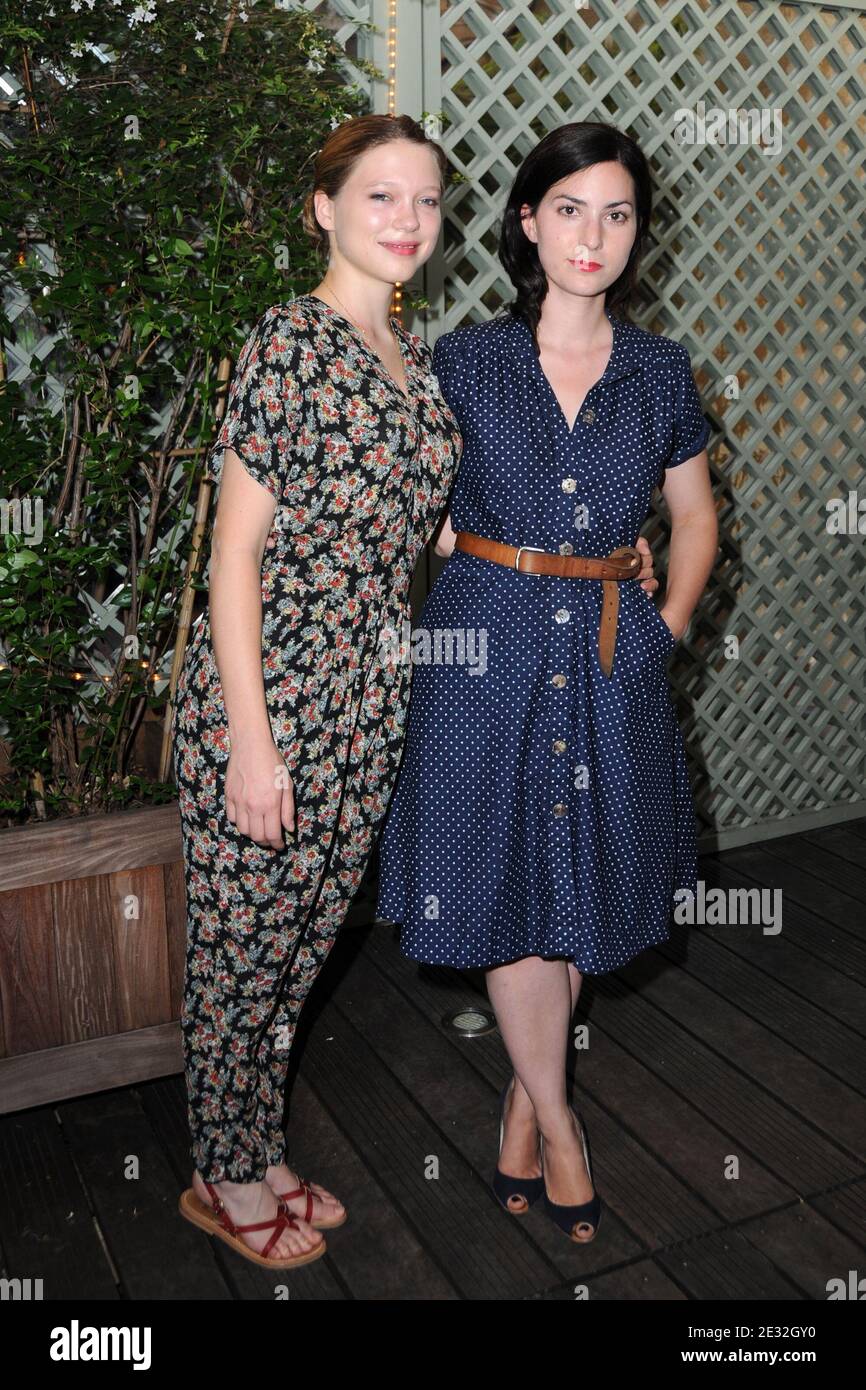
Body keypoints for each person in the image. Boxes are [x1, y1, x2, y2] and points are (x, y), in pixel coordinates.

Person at [376, 121, 718, 1244]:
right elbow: (415, 523)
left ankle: (526, 1101)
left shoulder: (660, 369)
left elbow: (693, 516)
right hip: (484, 648)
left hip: (613, 651)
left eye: (615, 213)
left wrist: (665, 623)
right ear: (527, 221)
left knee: (581, 873)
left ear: (635, 234)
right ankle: (562, 1126)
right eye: (568, 208)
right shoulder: (460, 361)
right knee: (513, 885)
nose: (592, 234)